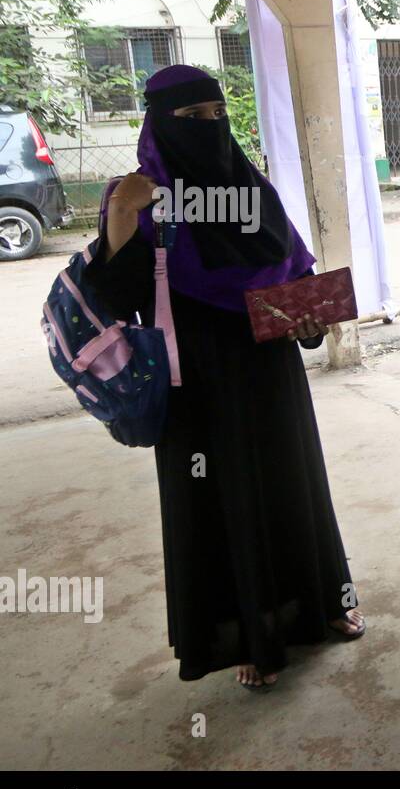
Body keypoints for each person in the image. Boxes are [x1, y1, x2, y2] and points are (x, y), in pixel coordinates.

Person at [84, 65, 364, 692]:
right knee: (218, 499)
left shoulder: (250, 189)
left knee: (292, 481)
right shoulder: (136, 195)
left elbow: (292, 274)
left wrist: (308, 321)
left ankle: (324, 602)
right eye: (193, 119)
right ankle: (246, 632)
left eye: (218, 115)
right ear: (160, 124)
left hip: (268, 372)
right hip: (194, 381)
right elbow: (118, 299)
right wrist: (123, 221)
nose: (211, 128)